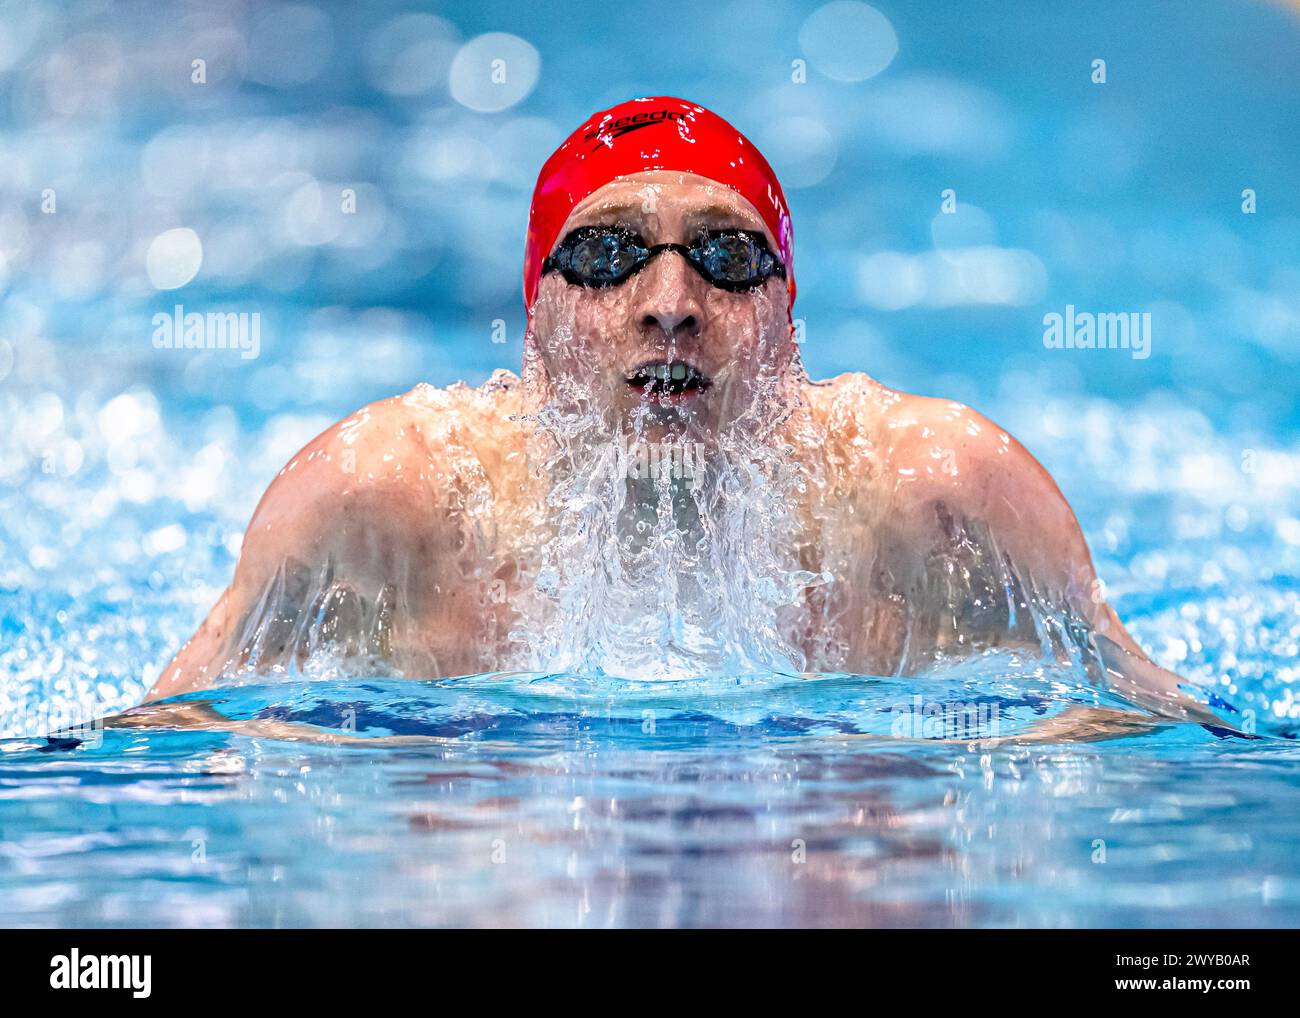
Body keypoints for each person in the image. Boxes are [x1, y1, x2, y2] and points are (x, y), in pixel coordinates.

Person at [145, 97, 1207, 727]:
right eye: (606, 255)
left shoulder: (940, 496)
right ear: (535, 316)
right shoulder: (380, 502)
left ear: (787, 323)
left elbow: (1165, 741)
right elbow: (163, 745)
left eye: (725, 256)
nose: (668, 306)